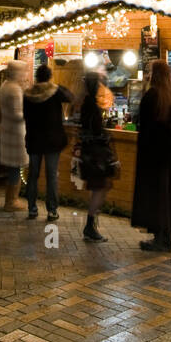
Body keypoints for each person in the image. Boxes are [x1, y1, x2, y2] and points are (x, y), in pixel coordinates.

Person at [131, 58, 171, 253]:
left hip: (154, 155)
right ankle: (167, 236)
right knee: (169, 194)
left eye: (149, 71)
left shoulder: (152, 96)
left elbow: (143, 125)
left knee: (156, 196)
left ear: (154, 75)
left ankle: (159, 238)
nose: (147, 74)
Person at [23, 63, 74, 221]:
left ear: (37, 77)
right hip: (52, 140)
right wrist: (56, 85)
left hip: (34, 139)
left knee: (33, 175)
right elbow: (70, 97)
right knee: (52, 175)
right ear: (49, 76)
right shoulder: (55, 91)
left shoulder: (28, 94)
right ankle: (52, 210)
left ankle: (32, 209)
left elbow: (25, 115)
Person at [79, 71, 118, 242]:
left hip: (90, 153)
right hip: (96, 155)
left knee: (99, 188)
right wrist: (106, 136)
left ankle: (91, 224)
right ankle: (90, 225)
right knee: (100, 188)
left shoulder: (85, 103)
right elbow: (95, 131)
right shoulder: (91, 106)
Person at [0, 59, 29, 211]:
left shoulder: (4, 85)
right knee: (15, 167)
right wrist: (29, 115)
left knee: (13, 167)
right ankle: (11, 202)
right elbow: (17, 114)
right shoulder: (15, 89)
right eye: (23, 71)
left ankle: (10, 200)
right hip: (15, 133)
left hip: (7, 130)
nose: (24, 75)